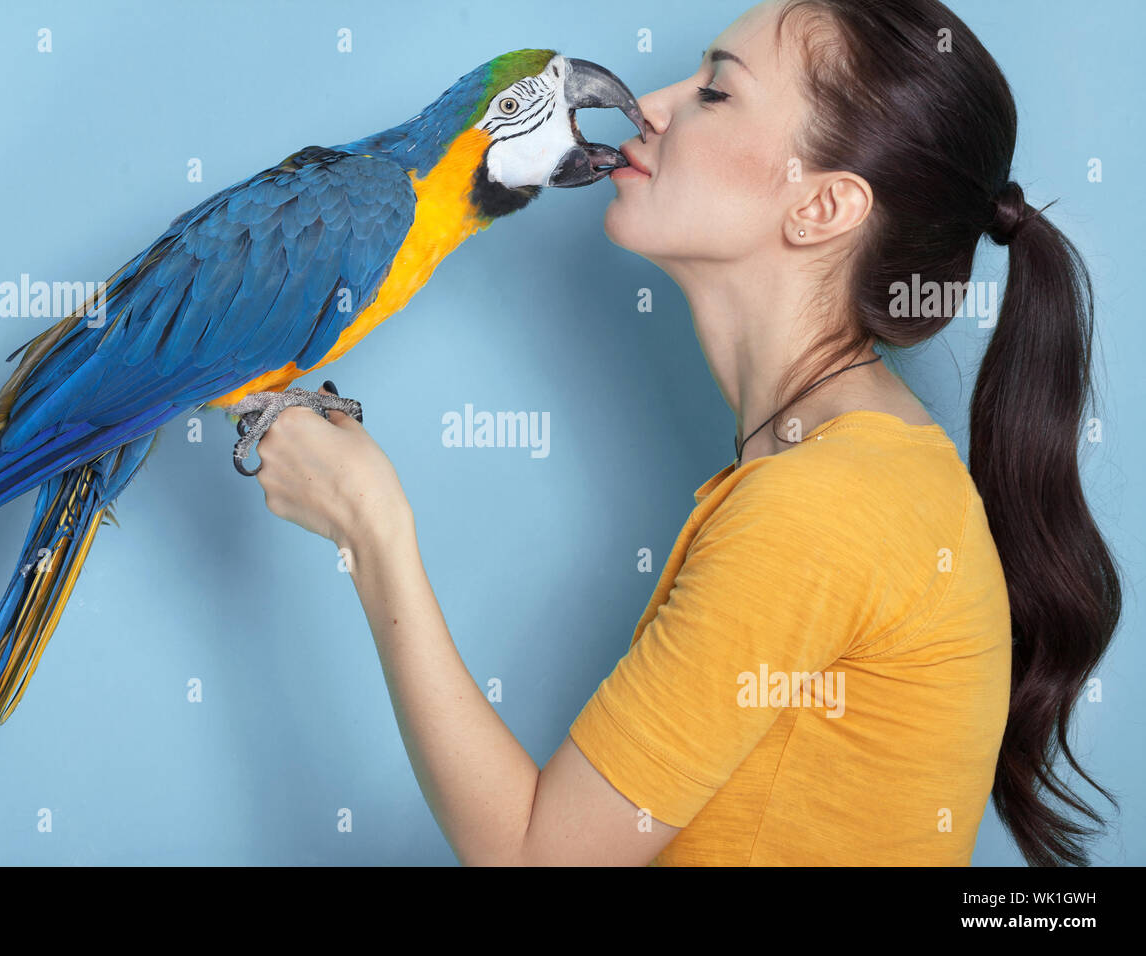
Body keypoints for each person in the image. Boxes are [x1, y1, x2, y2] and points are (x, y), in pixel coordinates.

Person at [247, 0, 1122, 865]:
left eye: (715, 92)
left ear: (821, 208)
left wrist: (370, 529)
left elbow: (535, 857)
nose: (648, 105)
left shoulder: (819, 508)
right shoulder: (853, 471)